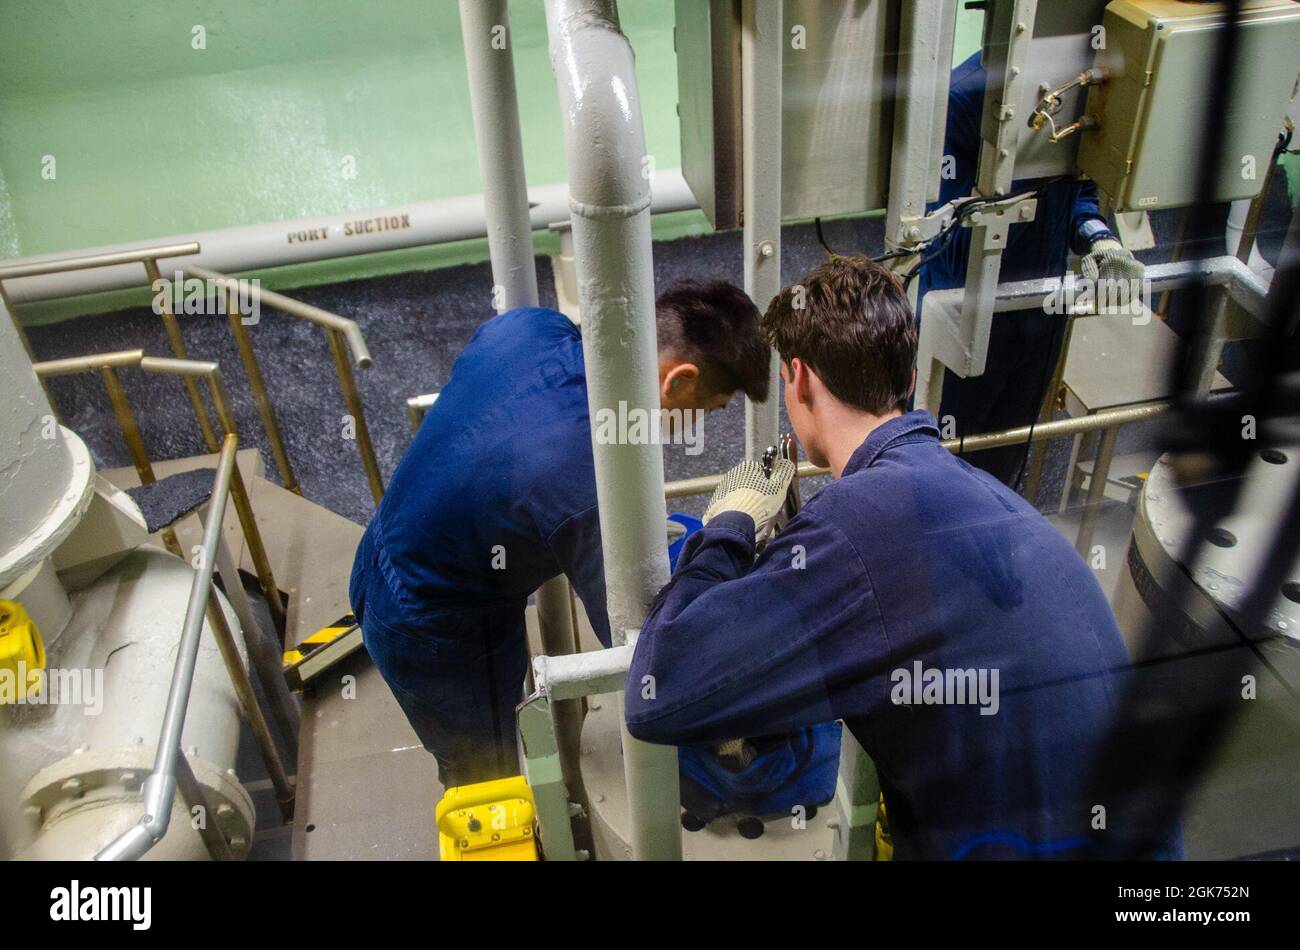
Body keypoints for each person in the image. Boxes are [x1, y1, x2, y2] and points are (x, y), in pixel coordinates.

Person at [626, 256, 1148, 859]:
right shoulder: (982, 494)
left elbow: (657, 694)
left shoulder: (858, 529)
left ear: (800, 379)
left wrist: (728, 526)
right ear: (903, 376)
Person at [349, 280, 771, 789]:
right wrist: (730, 536)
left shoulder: (527, 326)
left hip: (383, 544)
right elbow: (645, 640)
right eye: (709, 409)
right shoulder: (588, 485)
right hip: (434, 628)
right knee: (487, 785)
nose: (697, 425)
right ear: (677, 383)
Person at [920, 51, 1145, 485]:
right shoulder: (964, 95)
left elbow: (1078, 191)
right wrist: (1024, 168)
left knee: (1008, 451)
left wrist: (1099, 238)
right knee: (947, 461)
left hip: (1040, 313)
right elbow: (944, 242)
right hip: (966, 319)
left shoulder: (1076, 85)